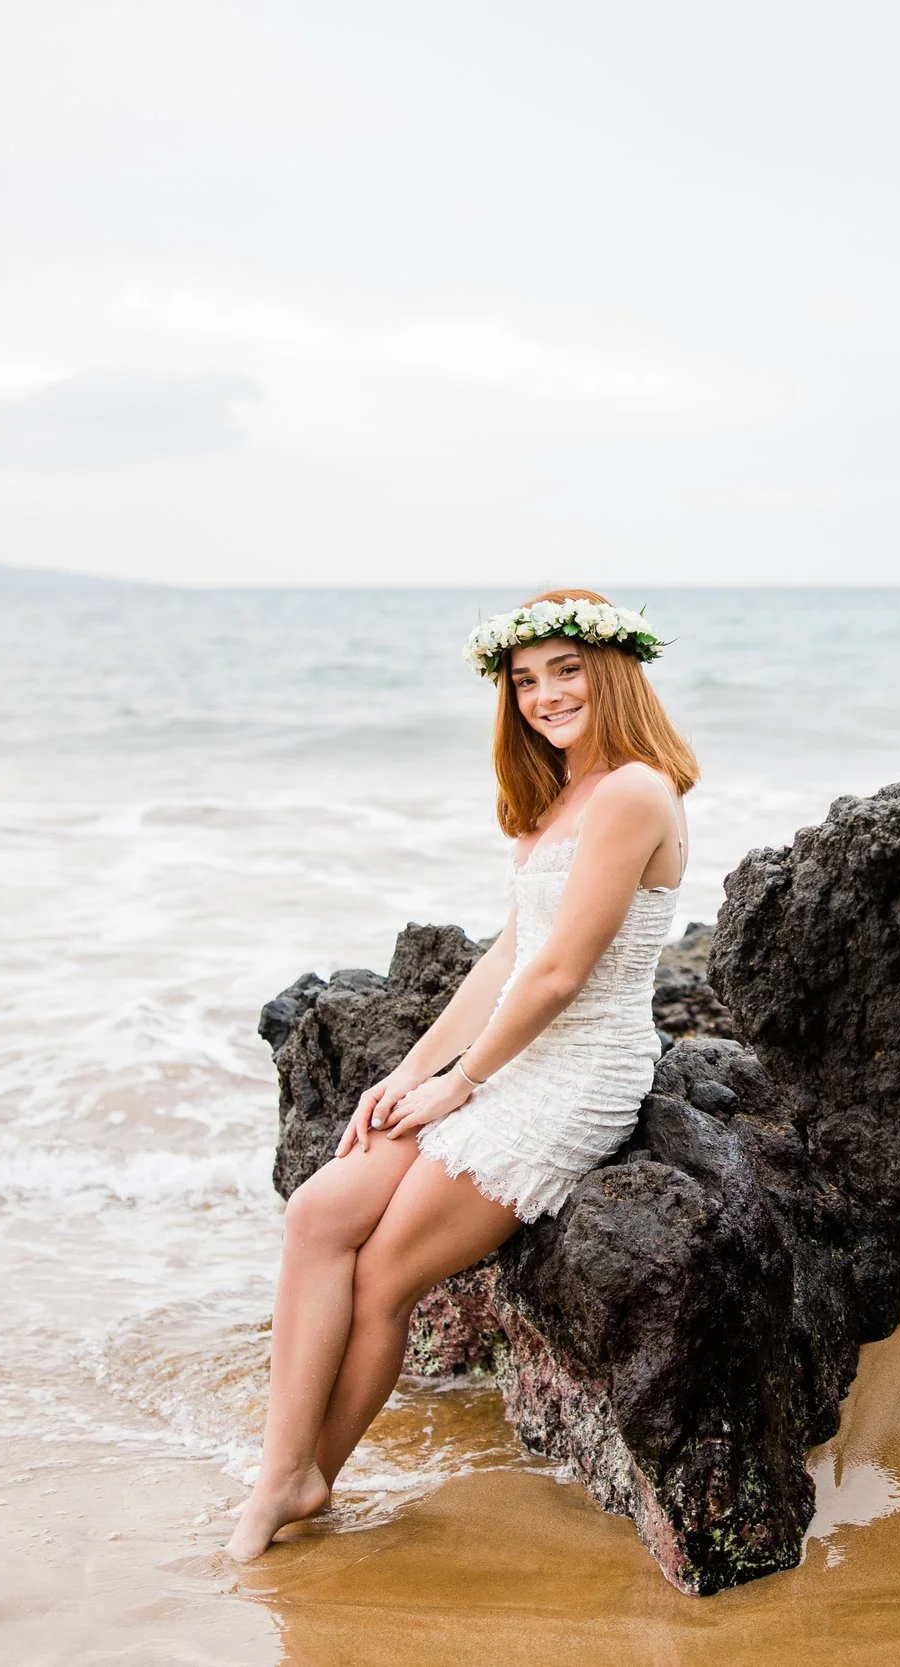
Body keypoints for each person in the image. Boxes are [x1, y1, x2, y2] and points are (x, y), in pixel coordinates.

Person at [228, 588, 694, 1560]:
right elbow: (507, 959)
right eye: (525, 680)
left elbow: (562, 974)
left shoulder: (635, 792)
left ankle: (302, 1478)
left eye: (565, 670)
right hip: (510, 1056)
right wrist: (405, 1072)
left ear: (611, 671)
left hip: (577, 1073)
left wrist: (464, 1081)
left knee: (383, 1273)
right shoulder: (555, 801)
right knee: (317, 1215)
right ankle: (283, 1468)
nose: (545, 694)